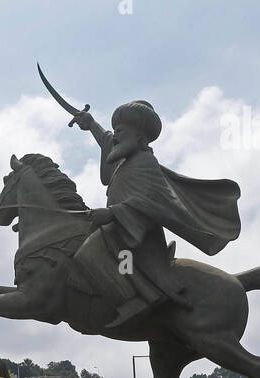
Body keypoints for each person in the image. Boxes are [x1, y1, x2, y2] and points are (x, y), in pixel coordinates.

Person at [70, 101, 241, 327]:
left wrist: (112, 213)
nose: (116, 135)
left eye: (122, 131)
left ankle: (133, 299)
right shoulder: (125, 159)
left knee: (91, 253)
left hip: (137, 237)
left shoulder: (145, 164)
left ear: (139, 138)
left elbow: (151, 203)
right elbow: (107, 139)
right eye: (116, 130)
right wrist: (91, 124)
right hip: (122, 230)